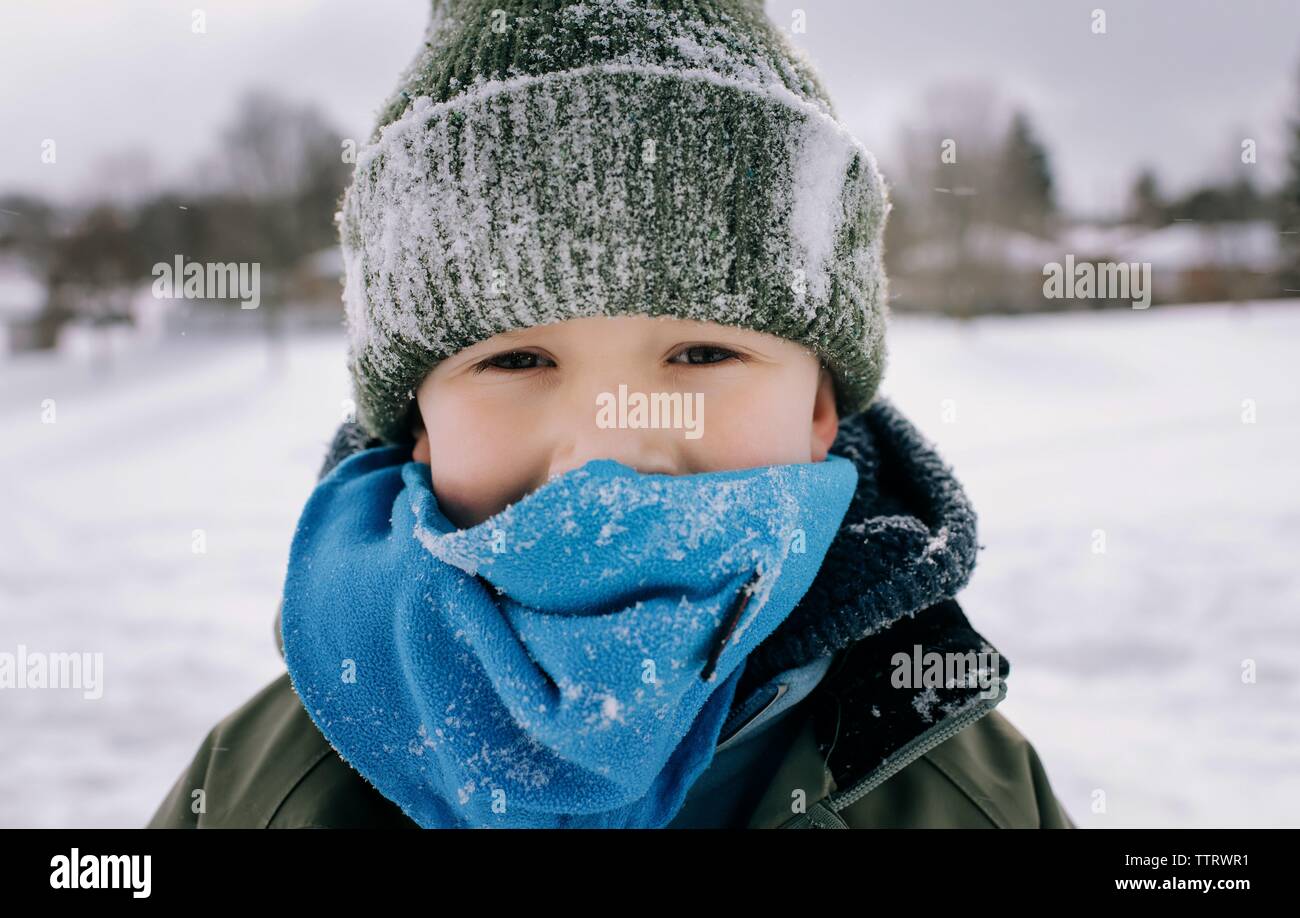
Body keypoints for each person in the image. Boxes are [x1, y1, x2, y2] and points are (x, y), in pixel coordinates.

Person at [148, 0, 1074, 829]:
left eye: (703, 353)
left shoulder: (962, 794)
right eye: (516, 359)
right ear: (418, 425)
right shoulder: (263, 794)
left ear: (821, 406)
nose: (607, 454)